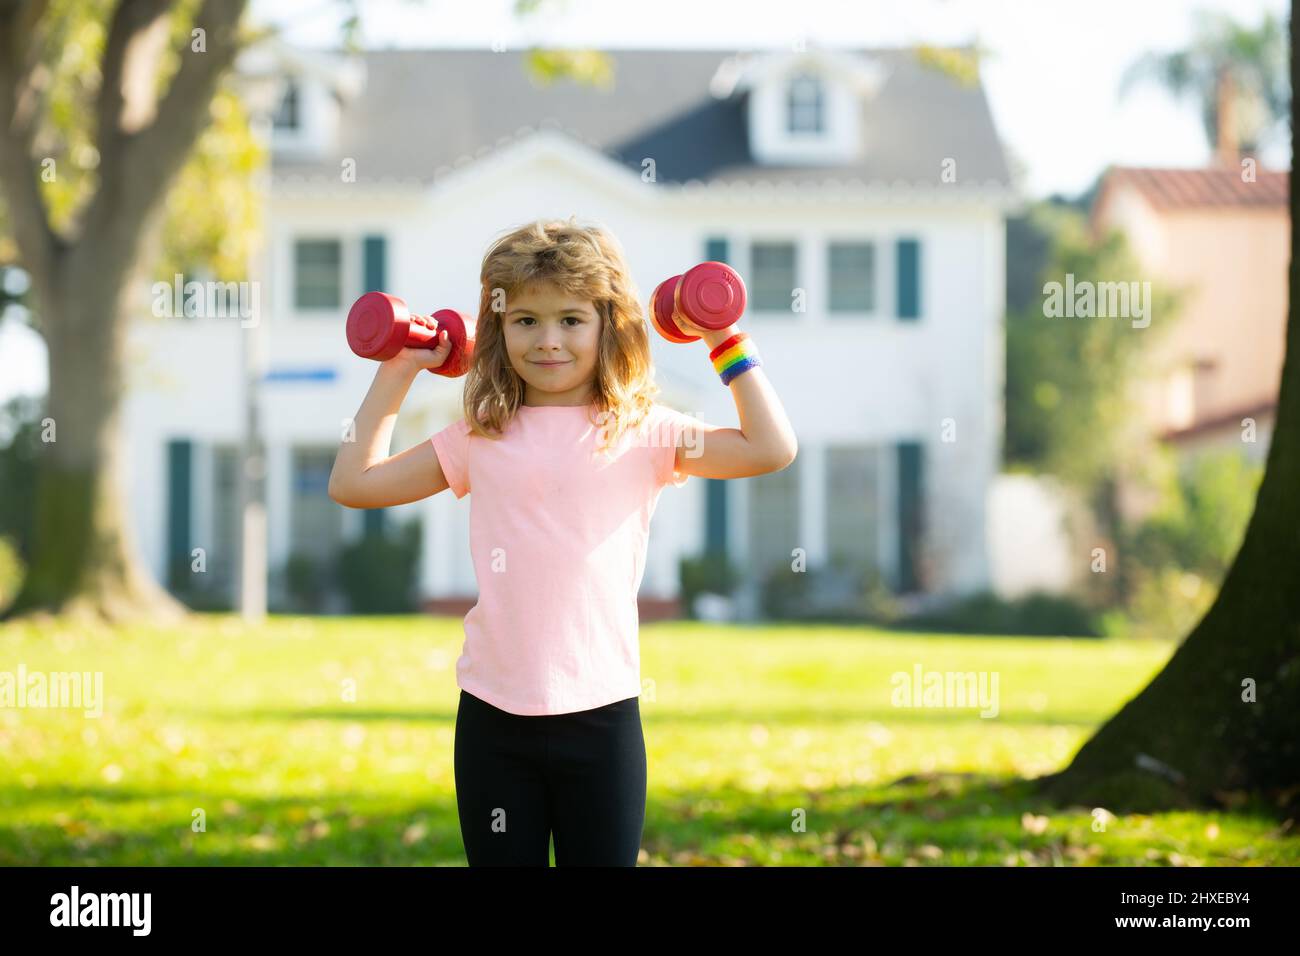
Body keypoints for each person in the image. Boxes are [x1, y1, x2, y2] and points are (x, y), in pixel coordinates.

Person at [329, 217, 797, 866]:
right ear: (498, 330)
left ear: (610, 326)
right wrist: (401, 367)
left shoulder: (646, 431)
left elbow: (770, 447)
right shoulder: (479, 435)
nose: (548, 341)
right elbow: (354, 482)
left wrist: (721, 332)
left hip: (602, 719)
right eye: (525, 321)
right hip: (494, 721)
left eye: (572, 320)